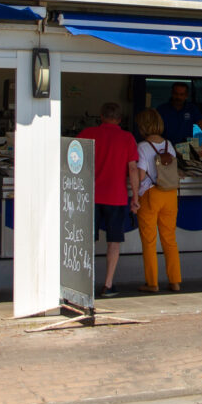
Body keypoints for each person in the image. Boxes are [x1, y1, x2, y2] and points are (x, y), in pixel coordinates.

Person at [76, 102, 136, 297]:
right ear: (120, 119)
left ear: (101, 116)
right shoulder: (127, 137)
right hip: (116, 197)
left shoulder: (87, 133)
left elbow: (71, 159)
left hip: (90, 196)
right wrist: (135, 196)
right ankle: (108, 284)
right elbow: (133, 169)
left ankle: (84, 282)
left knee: (87, 241)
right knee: (114, 242)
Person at [132, 107, 182, 292]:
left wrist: (135, 193)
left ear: (143, 126)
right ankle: (175, 281)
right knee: (169, 239)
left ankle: (152, 282)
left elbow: (142, 174)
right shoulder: (169, 145)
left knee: (149, 240)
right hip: (170, 194)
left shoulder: (143, 147)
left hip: (151, 195)